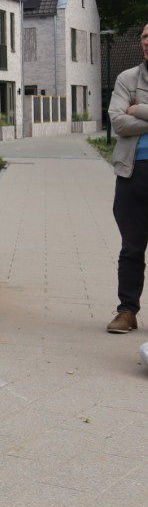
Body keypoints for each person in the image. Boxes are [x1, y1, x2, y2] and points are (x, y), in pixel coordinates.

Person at [107, 23, 148, 335]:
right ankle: (127, 311)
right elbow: (118, 123)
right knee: (131, 248)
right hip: (133, 174)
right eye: (145, 36)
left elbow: (129, 116)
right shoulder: (127, 79)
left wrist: (139, 109)